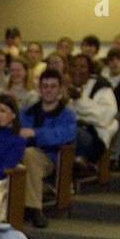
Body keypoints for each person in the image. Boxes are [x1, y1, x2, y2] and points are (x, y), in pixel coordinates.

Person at [19, 69, 78, 229]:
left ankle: (34, 209)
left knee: (29, 154)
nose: (49, 90)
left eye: (53, 86)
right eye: (45, 86)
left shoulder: (67, 114)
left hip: (52, 158)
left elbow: (65, 134)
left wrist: (35, 133)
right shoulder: (27, 112)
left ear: (60, 89)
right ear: (39, 89)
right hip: (22, 155)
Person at [67, 54, 117, 165]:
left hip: (93, 136)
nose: (77, 70)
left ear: (90, 70)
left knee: (68, 132)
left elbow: (104, 117)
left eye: (82, 66)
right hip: (68, 128)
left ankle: (67, 171)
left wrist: (79, 100)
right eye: (74, 66)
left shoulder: (101, 87)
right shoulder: (65, 86)